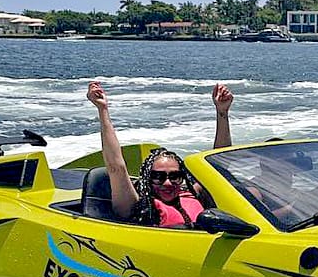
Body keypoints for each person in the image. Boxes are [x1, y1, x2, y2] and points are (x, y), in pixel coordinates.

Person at [86, 80, 233, 227]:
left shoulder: (192, 194)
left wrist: (222, 112)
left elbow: (219, 166)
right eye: (158, 177)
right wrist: (102, 109)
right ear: (148, 179)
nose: (167, 183)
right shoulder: (138, 207)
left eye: (175, 176)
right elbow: (116, 167)